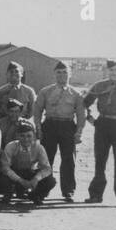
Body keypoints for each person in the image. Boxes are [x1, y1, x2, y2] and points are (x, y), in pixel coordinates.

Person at [81, 59, 116, 206]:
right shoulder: (99, 85)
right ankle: (95, 195)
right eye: (111, 70)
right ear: (107, 71)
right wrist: (90, 119)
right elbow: (84, 103)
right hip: (103, 125)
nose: (114, 73)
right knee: (100, 161)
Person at [31, 60, 87, 202]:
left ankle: (68, 191)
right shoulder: (46, 91)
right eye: (59, 72)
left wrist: (79, 132)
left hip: (67, 126)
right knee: (46, 159)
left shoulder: (76, 94)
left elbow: (81, 114)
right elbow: (37, 110)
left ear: (70, 74)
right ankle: (42, 191)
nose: (62, 75)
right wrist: (38, 127)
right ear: (54, 74)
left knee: (68, 159)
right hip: (49, 125)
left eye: (65, 72)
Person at [0, 120, 56, 205]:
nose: (26, 139)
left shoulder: (39, 148)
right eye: (22, 136)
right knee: (2, 176)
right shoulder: (11, 146)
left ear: (34, 137)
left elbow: (47, 168)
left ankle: (35, 195)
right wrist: (20, 180)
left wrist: (36, 179)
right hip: (15, 172)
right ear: (17, 136)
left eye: (29, 136)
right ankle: (8, 194)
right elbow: (5, 168)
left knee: (51, 181)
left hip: (29, 172)